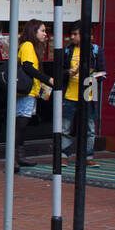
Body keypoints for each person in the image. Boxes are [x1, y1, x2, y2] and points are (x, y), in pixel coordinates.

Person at [14, 19, 54, 167]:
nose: (45, 34)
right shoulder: (28, 46)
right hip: (26, 92)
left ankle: (19, 157)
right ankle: (15, 158)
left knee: (22, 125)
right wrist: (48, 79)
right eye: (42, 31)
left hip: (31, 92)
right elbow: (28, 67)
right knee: (21, 125)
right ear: (33, 31)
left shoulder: (30, 46)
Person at [62, 22, 98, 166]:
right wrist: (67, 72)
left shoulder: (95, 50)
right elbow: (60, 69)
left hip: (89, 90)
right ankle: (63, 154)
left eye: (76, 34)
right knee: (66, 127)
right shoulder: (67, 50)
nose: (72, 37)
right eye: (72, 34)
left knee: (90, 127)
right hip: (70, 92)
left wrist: (92, 75)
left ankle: (88, 157)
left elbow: (103, 72)